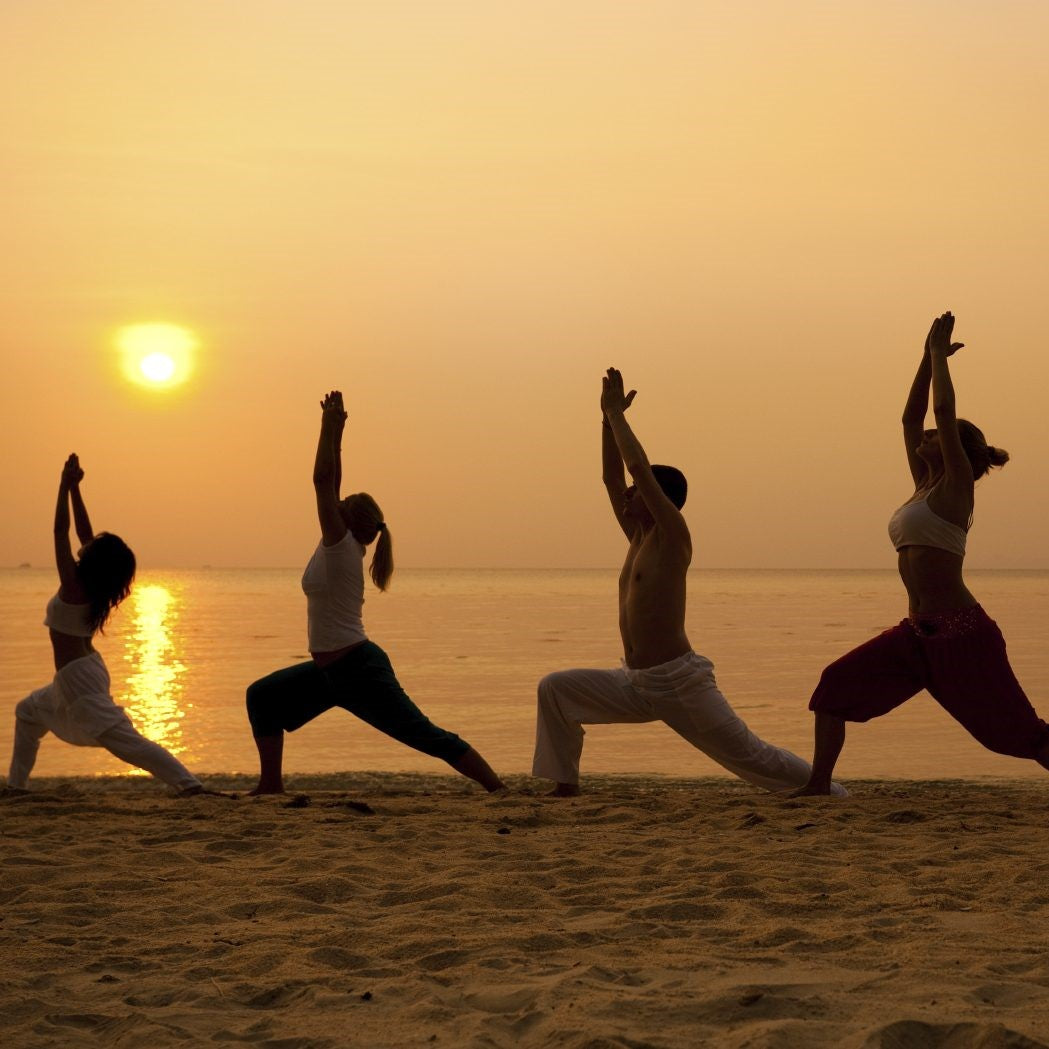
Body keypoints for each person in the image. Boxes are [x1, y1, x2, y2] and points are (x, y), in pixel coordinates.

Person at [532, 368, 845, 796]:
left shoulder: (671, 536)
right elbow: (612, 478)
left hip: (677, 682)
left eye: (636, 491)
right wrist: (606, 422)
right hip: (635, 681)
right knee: (557, 689)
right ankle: (565, 786)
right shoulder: (638, 538)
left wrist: (618, 415)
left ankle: (827, 790)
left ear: (659, 498)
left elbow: (637, 467)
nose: (626, 494)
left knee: (751, 755)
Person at [795, 312, 1049, 794]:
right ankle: (818, 788)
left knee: (1015, 735)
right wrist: (923, 360)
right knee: (834, 687)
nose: (926, 438)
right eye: (928, 439)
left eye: (936, 438)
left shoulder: (955, 487)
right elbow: (911, 418)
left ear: (958, 451)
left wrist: (939, 357)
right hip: (915, 635)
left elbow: (942, 415)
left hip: (963, 636)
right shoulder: (922, 486)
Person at [245, 390, 505, 795]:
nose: (336, 501)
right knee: (263, 697)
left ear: (348, 519)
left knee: (424, 735)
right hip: (331, 673)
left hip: (358, 671)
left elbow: (321, 481)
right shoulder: (339, 544)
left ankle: (498, 789)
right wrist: (339, 432)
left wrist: (326, 426)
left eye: (342, 504)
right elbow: (333, 482)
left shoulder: (340, 547)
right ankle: (270, 786)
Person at [6, 454, 204, 795]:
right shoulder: (92, 586)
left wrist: (62, 485)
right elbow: (83, 533)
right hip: (78, 672)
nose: (90, 541)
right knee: (27, 713)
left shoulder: (74, 585)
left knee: (125, 741)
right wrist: (76, 490)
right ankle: (16, 788)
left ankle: (190, 785)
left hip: (79, 677)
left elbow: (60, 532)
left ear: (96, 560)